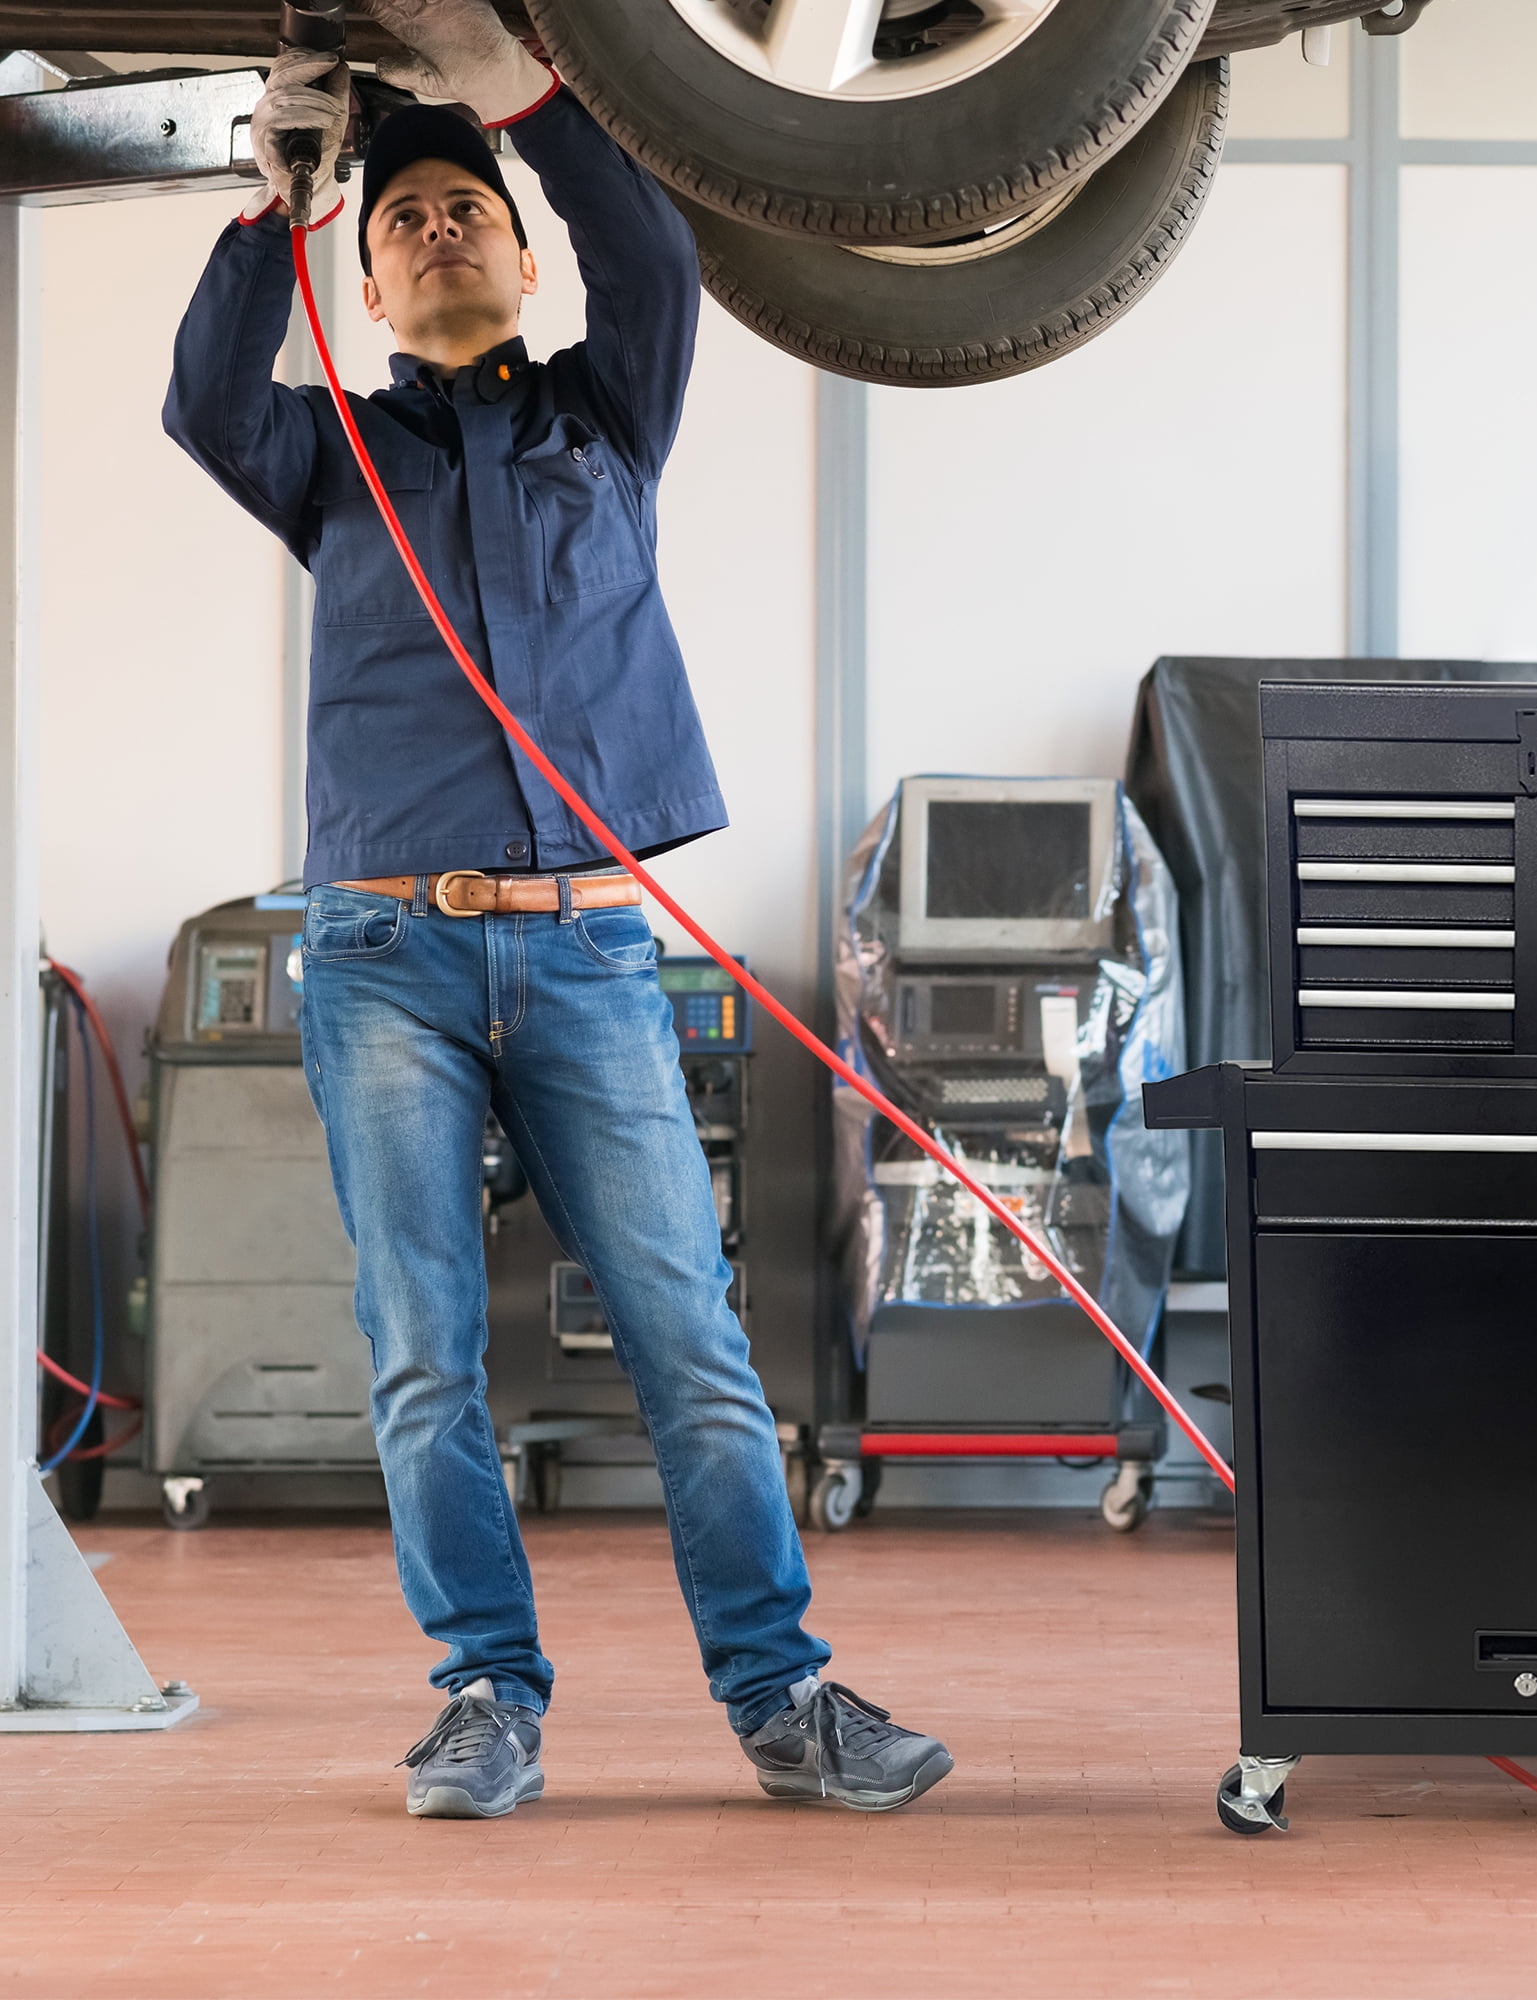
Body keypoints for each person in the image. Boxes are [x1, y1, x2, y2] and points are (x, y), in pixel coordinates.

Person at [162, 0, 950, 1821]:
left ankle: (783, 1697)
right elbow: (207, 399)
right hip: (381, 961)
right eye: (402, 222)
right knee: (428, 1352)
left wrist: (513, 91)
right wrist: (273, 202)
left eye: (468, 212)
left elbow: (659, 251)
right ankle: (486, 1701)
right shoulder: (330, 458)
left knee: (689, 1338)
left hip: (592, 952)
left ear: (522, 258)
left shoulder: (612, 414)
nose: (435, 227)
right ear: (364, 286)